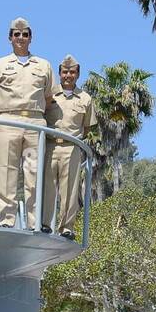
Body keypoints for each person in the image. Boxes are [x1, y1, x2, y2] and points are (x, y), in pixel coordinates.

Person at [0, 17, 56, 229]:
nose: (20, 38)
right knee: (6, 174)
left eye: (25, 34)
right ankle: (6, 221)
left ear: (31, 38)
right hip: (7, 119)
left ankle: (33, 223)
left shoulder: (44, 65)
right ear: (10, 38)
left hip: (34, 122)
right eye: (16, 34)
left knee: (33, 175)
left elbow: (48, 97)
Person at [43, 55, 97, 238]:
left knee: (70, 190)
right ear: (59, 73)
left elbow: (88, 126)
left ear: (78, 74)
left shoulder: (85, 98)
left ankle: (66, 227)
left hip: (72, 147)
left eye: (72, 72)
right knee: (47, 187)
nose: (68, 75)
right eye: (65, 72)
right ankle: (43, 223)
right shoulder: (49, 95)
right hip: (50, 145)